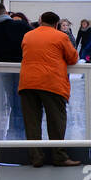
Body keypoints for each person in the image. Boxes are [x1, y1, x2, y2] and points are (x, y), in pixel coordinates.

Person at [17, 11, 81, 167]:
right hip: (52, 83)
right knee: (56, 122)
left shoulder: (28, 36)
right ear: (56, 24)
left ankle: (36, 158)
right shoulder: (61, 37)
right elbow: (73, 58)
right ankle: (59, 156)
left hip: (28, 83)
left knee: (32, 123)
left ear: (40, 21)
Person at [0, 3, 29, 135]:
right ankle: (20, 130)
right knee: (22, 100)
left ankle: (14, 130)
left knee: (12, 100)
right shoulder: (21, 25)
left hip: (4, 70)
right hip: (23, 67)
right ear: (6, 12)